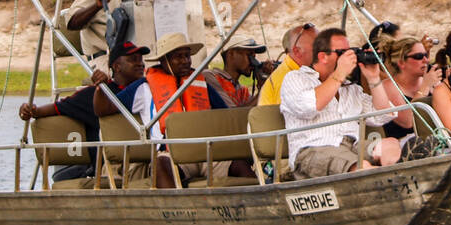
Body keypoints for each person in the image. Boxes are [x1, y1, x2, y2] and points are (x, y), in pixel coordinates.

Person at [18, 40, 150, 183]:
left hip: (147, 159)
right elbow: (54, 108)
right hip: (114, 167)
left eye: (141, 60)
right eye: (133, 60)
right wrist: (29, 110)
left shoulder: (148, 90)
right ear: (117, 67)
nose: (140, 64)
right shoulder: (94, 94)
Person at [279, 27, 402, 178]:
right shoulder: (296, 78)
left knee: (390, 145)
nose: (349, 58)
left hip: (353, 147)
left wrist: (373, 78)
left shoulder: (350, 89)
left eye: (350, 52)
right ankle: (384, 187)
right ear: (323, 57)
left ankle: (399, 180)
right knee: (361, 166)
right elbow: (310, 106)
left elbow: (382, 115)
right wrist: (340, 73)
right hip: (314, 150)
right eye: (343, 53)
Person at [131, 31, 254, 181]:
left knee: (240, 165)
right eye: (178, 56)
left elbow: (225, 115)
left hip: (206, 152)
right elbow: (105, 106)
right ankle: (178, 205)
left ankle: (262, 202)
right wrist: (100, 87)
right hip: (172, 153)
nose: (185, 61)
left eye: (187, 56)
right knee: (161, 166)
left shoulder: (201, 85)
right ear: (164, 60)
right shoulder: (144, 87)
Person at [374, 35, 439, 149]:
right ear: (401, 63)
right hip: (404, 146)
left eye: (425, 55)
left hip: (435, 139)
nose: (426, 60)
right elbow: (408, 122)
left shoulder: (428, 81)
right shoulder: (389, 86)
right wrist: (424, 87)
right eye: (419, 56)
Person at [257, 23, 316, 106]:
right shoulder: (286, 80)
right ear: (297, 51)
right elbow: (288, 117)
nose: (323, 49)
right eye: (317, 46)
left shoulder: (301, 72)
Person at [203, 37, 265, 109]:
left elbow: (254, 112)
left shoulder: (242, 90)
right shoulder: (210, 76)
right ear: (231, 54)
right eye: (249, 56)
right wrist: (263, 90)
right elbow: (232, 114)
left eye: (254, 57)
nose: (253, 62)